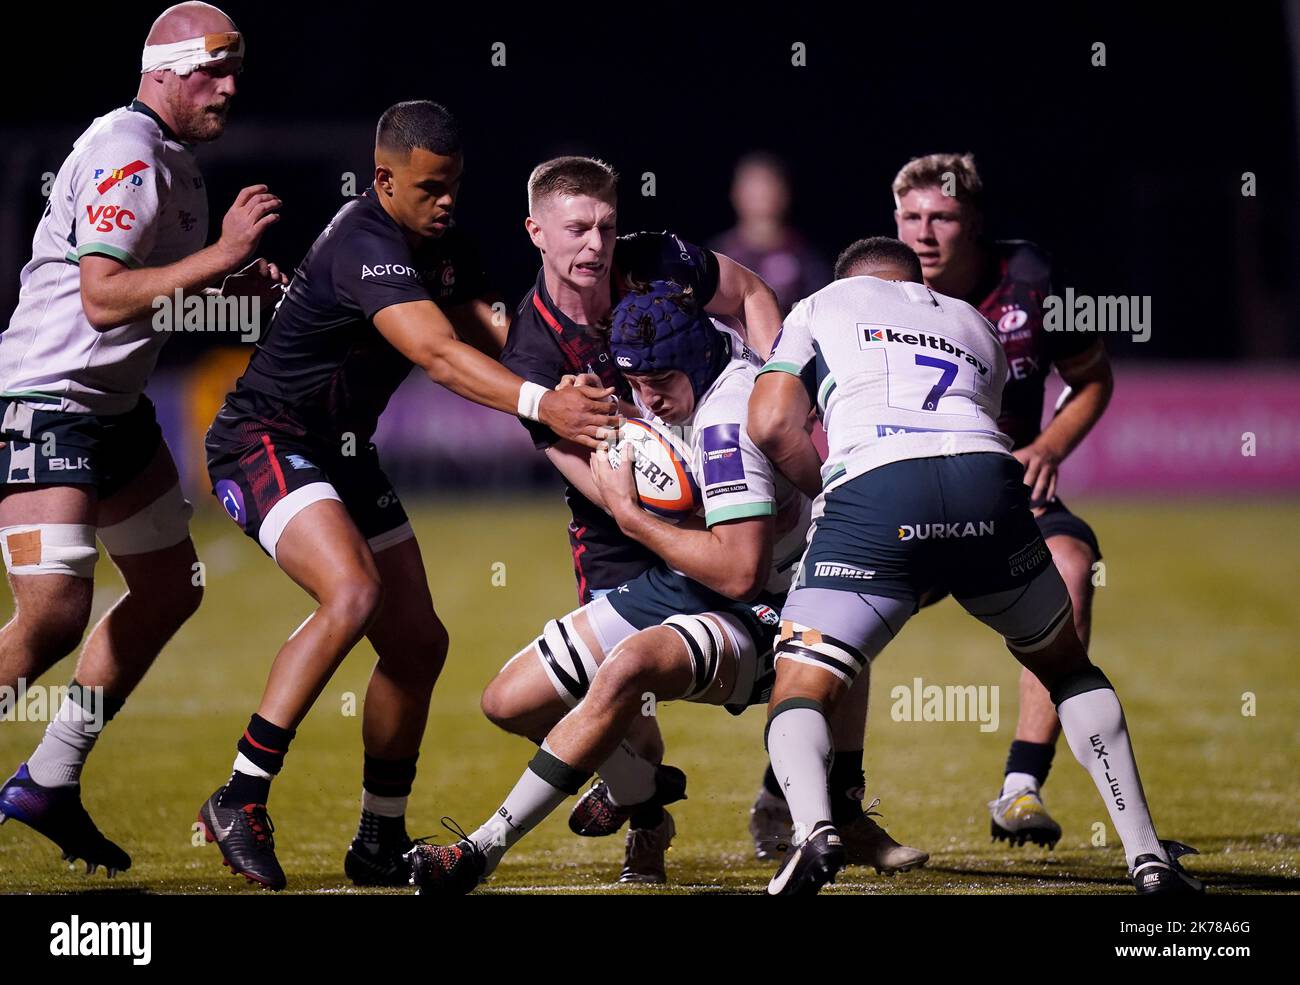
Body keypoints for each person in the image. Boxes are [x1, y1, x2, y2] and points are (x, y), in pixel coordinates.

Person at [196, 102, 617, 891]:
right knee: (352, 593)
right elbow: (439, 353)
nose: (447, 200)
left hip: (342, 455)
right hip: (263, 442)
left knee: (419, 643)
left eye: (455, 184)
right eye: (430, 187)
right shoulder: (365, 241)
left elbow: (495, 334)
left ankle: (378, 838)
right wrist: (542, 404)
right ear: (383, 179)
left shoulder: (444, 243)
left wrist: (577, 369)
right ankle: (240, 796)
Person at [748, 236, 1199, 896]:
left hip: (875, 495)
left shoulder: (820, 303)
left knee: (799, 684)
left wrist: (827, 489)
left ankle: (816, 831)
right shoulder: (975, 321)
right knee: (1069, 668)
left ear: (852, 280)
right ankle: (1146, 854)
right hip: (988, 484)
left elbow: (770, 424)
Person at [0, 2, 282, 877]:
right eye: (214, 70)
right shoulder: (129, 149)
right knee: (51, 614)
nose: (230, 87)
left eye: (237, 69)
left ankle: (49, 777)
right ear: (164, 70)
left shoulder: (177, 163)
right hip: (49, 399)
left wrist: (230, 278)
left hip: (113, 409)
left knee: (170, 586)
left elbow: (154, 297)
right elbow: (103, 298)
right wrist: (223, 253)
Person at [410, 280, 809, 893]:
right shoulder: (682, 364)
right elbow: (661, 423)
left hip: (762, 612)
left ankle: (481, 849)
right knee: (509, 703)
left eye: (660, 383)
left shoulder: (729, 421)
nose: (650, 397)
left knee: (628, 668)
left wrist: (630, 517)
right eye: (638, 383)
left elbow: (738, 572)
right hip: (684, 581)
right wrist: (613, 412)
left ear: (697, 359)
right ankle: (646, 800)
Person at [495, 156, 785, 880]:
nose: (595, 245)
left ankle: (819, 805)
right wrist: (659, 493)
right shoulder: (532, 349)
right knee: (626, 717)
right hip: (621, 527)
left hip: (728, 492)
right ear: (535, 231)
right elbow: (592, 480)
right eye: (576, 229)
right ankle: (648, 811)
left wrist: (779, 394)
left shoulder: (658, 259)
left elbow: (750, 291)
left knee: (819, 632)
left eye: (605, 226)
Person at [893, 153, 1113, 847]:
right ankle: (797, 789)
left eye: (944, 216)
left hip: (1003, 496)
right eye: (911, 217)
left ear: (975, 222)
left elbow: (1092, 377)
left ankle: (1021, 786)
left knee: (1071, 564)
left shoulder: (1034, 280)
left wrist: (1047, 446)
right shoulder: (872, 289)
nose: (925, 233)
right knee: (815, 610)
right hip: (904, 490)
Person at [709, 152, 830, 314]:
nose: (761, 193)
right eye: (753, 186)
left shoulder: (806, 258)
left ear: (785, 193)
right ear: (735, 193)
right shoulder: (716, 255)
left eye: (768, 184)